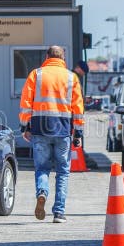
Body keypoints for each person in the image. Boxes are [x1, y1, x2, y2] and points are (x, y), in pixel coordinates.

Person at [19, 46, 84, 223]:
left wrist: (24, 126)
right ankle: (59, 213)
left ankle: (42, 192)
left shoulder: (36, 74)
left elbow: (26, 102)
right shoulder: (71, 77)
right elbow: (77, 108)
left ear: (47, 56)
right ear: (63, 58)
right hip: (63, 130)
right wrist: (78, 133)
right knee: (63, 171)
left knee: (42, 168)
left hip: (40, 129)